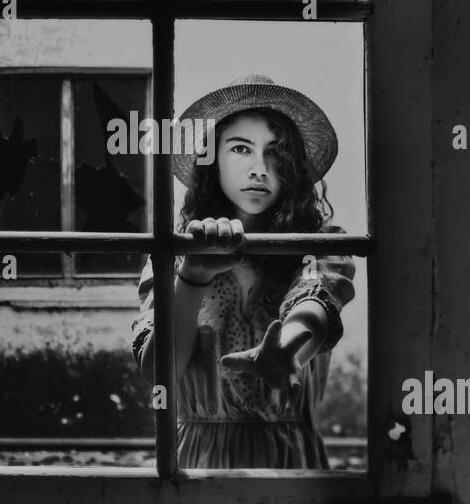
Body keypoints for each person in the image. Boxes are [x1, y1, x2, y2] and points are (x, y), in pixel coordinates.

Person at [130, 74, 356, 469]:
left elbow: (314, 303)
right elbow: (158, 372)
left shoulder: (321, 244)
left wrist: (286, 352)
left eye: (275, 153)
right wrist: (193, 275)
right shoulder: (175, 250)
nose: (259, 168)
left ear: (292, 167)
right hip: (197, 463)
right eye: (240, 148)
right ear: (211, 159)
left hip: (290, 459)